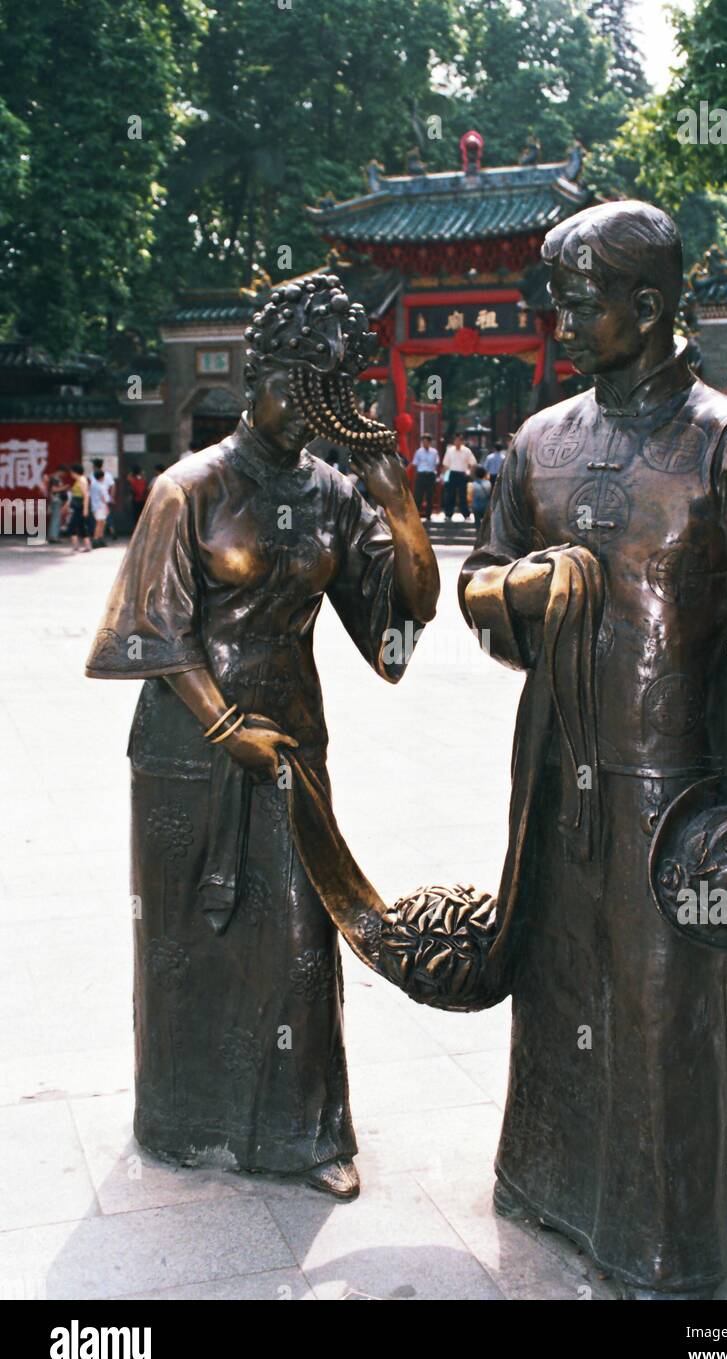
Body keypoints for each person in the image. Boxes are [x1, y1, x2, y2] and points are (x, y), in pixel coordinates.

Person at [459, 200, 727, 1299]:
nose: (561, 319)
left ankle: (672, 1230)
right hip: (556, 773)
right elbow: (481, 590)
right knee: (559, 991)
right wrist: (520, 586)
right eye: (558, 299)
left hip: (675, 784)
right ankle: (549, 1180)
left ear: (651, 304)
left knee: (664, 1018)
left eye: (582, 302)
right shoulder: (540, 439)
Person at [85, 273, 439, 1200]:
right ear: (265, 376)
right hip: (186, 746)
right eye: (305, 384)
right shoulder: (187, 487)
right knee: (184, 939)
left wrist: (397, 507)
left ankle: (301, 1132)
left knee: (294, 932)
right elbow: (150, 631)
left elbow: (399, 627)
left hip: (288, 742)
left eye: (334, 388)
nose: (319, 409)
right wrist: (222, 722)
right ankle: (179, 1118)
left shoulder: (331, 493)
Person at [441, 432, 476, 519]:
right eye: (456, 440)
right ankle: (448, 514)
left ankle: (466, 515)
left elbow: (473, 463)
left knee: (463, 495)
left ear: (462, 441)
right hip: (452, 473)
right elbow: (446, 465)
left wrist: (469, 473)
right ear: (454, 441)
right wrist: (443, 477)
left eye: (459, 440)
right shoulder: (450, 450)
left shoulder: (467, 451)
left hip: (462, 474)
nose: (457, 442)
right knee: (450, 495)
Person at [411, 432, 439, 520]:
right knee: (418, 495)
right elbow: (415, 463)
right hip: (421, 475)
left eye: (426, 441)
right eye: (423, 441)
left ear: (430, 442)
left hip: (430, 475)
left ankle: (428, 515)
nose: (424, 443)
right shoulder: (418, 452)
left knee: (429, 496)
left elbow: (437, 463)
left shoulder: (434, 452)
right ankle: (416, 514)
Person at [68, 463, 91, 552]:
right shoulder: (79, 480)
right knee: (81, 526)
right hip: (77, 506)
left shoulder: (81, 480)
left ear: (75, 472)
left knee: (72, 525)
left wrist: (85, 509)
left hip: (80, 507)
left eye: (71, 472)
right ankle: (86, 545)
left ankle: (77, 546)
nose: (71, 474)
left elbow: (86, 495)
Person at [89, 462, 111, 547]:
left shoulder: (93, 485)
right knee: (100, 523)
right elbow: (103, 497)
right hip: (101, 506)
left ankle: (99, 538)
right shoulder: (100, 486)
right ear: (102, 477)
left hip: (95, 505)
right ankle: (96, 539)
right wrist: (107, 506)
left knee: (101, 522)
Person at [469, 465, 492, 538]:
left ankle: (478, 536)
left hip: (476, 506)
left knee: (477, 523)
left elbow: (470, 496)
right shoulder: (489, 483)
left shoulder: (472, 484)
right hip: (486, 506)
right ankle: (485, 536)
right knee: (486, 523)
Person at [48, 470, 69, 543]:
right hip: (56, 500)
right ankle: (54, 537)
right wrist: (64, 488)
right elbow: (53, 489)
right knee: (56, 519)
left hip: (56, 500)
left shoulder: (54, 478)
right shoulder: (55, 479)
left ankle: (53, 536)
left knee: (56, 518)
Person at [127, 464, 148, 530]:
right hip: (143, 499)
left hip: (135, 500)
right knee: (143, 515)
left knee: (136, 516)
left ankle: (137, 530)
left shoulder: (132, 479)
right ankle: (142, 529)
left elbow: (128, 478)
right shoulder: (142, 479)